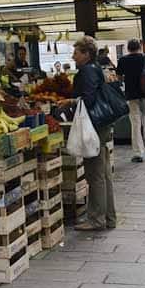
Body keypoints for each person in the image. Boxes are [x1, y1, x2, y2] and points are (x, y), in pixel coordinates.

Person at [58, 36, 116, 231]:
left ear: (86, 54)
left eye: (76, 53)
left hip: (94, 127)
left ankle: (97, 219)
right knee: (104, 173)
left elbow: (88, 100)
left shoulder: (87, 71)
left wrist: (70, 102)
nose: (73, 56)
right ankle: (108, 217)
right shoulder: (96, 69)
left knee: (95, 174)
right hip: (102, 125)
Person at [116, 39, 145, 163]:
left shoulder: (123, 60)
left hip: (131, 95)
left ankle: (138, 153)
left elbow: (119, 77)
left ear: (128, 48)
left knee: (135, 123)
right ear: (139, 47)